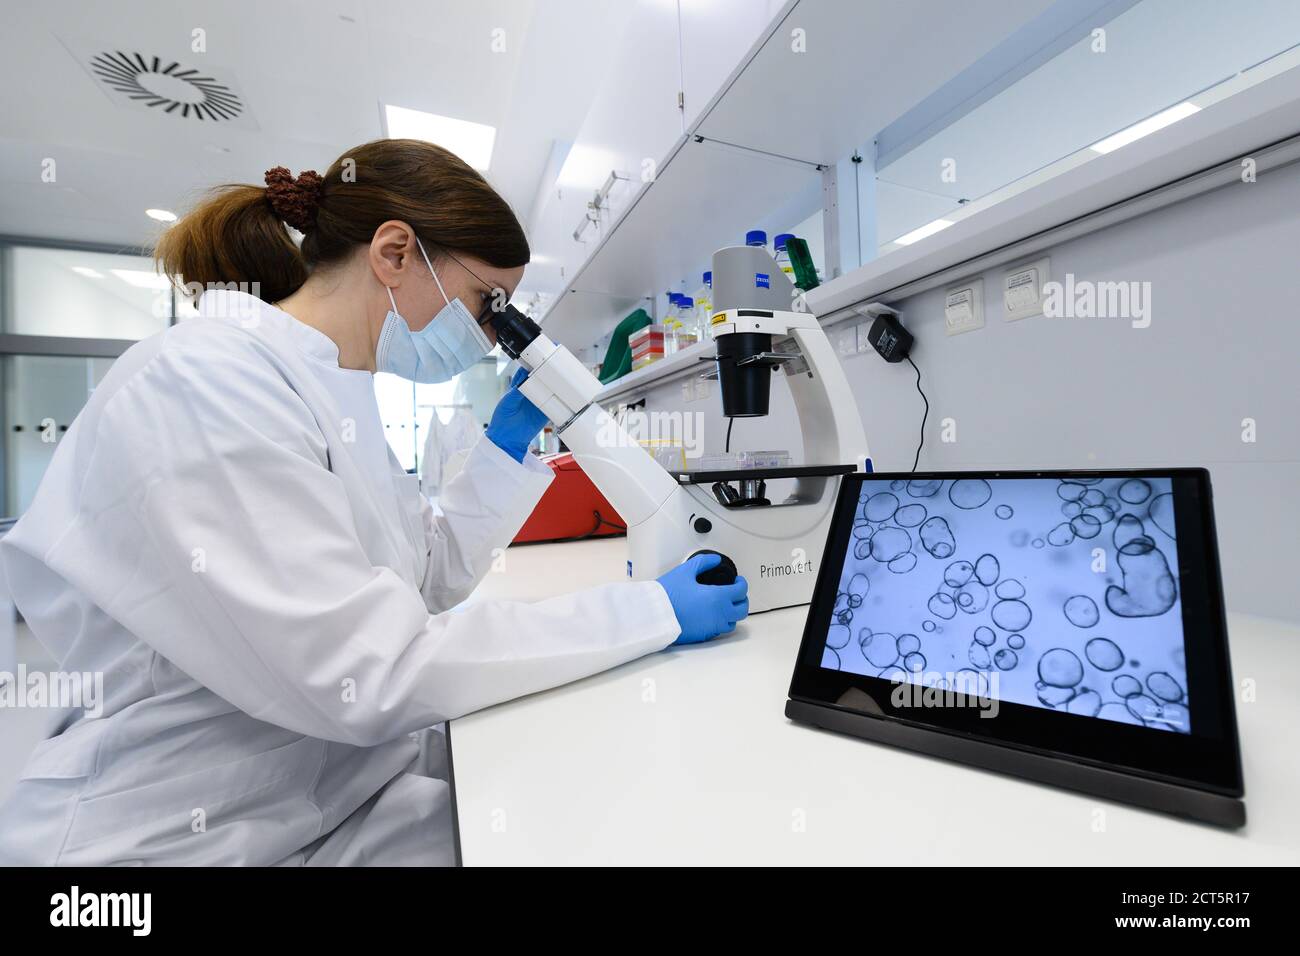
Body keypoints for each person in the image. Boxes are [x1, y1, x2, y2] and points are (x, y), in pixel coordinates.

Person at [0, 139, 748, 866]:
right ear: (394, 253)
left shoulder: (335, 391)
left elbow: (420, 583)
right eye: (489, 305)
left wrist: (503, 448)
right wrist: (648, 612)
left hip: (320, 792)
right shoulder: (205, 381)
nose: (493, 339)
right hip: (172, 831)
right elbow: (372, 669)